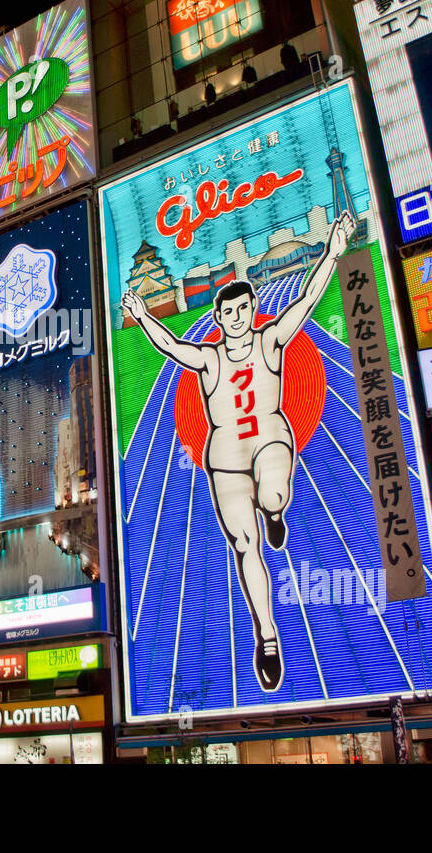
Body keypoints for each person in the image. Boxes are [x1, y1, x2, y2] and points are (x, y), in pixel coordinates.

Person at [121, 210, 355, 691]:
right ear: (219, 317)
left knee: (272, 496)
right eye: (226, 313)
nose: (235, 318)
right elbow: (170, 346)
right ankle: (266, 635)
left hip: (270, 435)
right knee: (244, 545)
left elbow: (307, 301)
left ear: (251, 310)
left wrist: (331, 251)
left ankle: (275, 511)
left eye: (242, 310)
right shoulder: (208, 358)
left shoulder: (271, 341)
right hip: (224, 454)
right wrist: (143, 316)